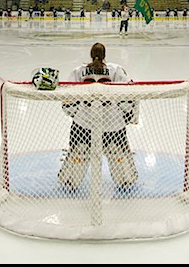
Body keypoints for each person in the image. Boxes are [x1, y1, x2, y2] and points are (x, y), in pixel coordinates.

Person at [58, 42, 137, 189]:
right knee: (116, 151)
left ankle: (70, 181)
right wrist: (124, 117)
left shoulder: (78, 71)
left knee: (79, 150)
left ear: (91, 54)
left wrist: (76, 114)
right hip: (113, 124)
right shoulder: (116, 70)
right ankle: (125, 180)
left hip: (84, 123)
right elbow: (128, 96)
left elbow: (68, 98)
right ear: (104, 55)